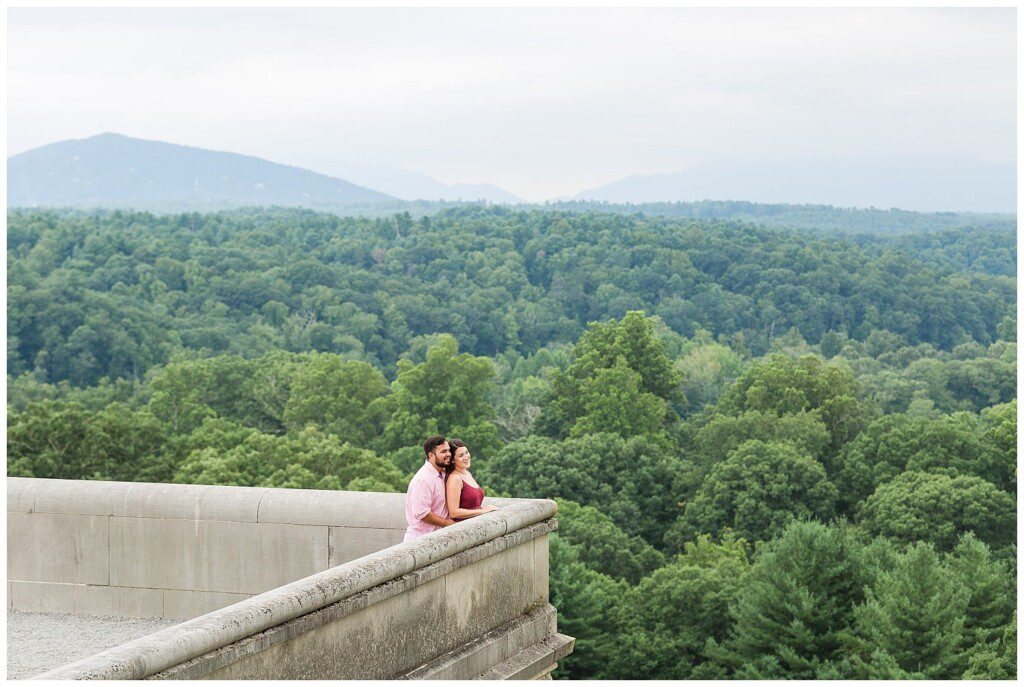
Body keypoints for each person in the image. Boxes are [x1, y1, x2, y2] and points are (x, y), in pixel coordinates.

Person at [404, 435, 456, 542]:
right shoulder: (423, 480)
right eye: (443, 452)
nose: (448, 454)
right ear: (431, 456)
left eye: (449, 451)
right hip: (420, 541)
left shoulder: (443, 473)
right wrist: (447, 523)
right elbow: (422, 513)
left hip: (437, 538)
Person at [445, 439, 498, 521]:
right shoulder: (455, 479)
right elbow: (454, 512)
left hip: (476, 523)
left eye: (466, 452)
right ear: (452, 460)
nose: (466, 457)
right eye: (460, 455)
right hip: (464, 527)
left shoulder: (468, 473)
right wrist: (482, 511)